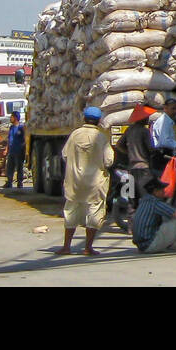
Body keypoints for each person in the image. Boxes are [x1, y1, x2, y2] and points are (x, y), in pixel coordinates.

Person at [61, 107, 114, 256]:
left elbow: (65, 155)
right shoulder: (101, 137)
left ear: (84, 119)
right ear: (98, 121)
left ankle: (66, 247)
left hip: (74, 182)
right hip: (95, 183)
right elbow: (109, 161)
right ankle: (87, 248)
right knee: (94, 212)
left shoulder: (74, 135)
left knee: (71, 211)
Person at [130, 177, 176, 253]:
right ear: (155, 191)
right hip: (149, 244)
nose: (164, 192)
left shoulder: (144, 200)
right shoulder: (154, 203)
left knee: (167, 219)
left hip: (142, 245)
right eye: (162, 190)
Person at [117, 104, 156, 198]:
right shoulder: (144, 131)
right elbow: (150, 149)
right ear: (142, 118)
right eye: (147, 117)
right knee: (146, 195)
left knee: (133, 195)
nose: (148, 119)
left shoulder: (129, 130)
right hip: (144, 167)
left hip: (132, 167)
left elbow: (119, 145)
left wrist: (129, 152)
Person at [149, 97, 176, 172]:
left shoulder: (168, 121)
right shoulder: (164, 122)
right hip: (162, 155)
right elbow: (164, 142)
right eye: (173, 109)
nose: (175, 111)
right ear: (165, 108)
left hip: (166, 154)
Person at [4, 111, 26, 189]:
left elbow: (25, 140)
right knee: (10, 167)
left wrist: (22, 149)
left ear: (16, 118)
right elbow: (9, 139)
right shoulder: (11, 127)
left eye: (12, 117)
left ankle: (20, 183)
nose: (10, 118)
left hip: (19, 151)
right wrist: (7, 149)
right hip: (12, 151)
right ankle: (9, 182)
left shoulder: (21, 128)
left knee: (19, 167)